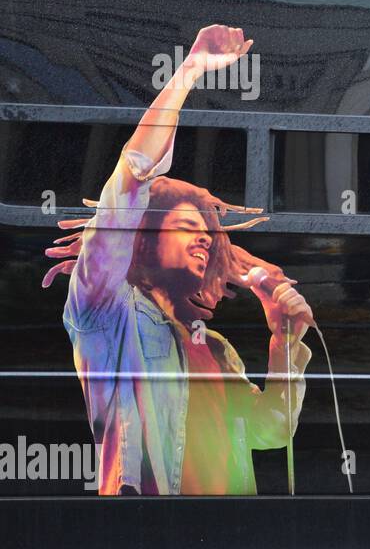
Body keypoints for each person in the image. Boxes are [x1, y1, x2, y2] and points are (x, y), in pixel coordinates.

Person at [42, 25, 314, 495]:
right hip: (155, 543)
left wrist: (284, 340)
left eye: (208, 235)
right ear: (143, 239)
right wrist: (188, 72)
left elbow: (272, 430)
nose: (205, 242)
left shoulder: (216, 347)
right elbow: (129, 182)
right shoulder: (108, 317)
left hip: (232, 542)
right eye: (187, 228)